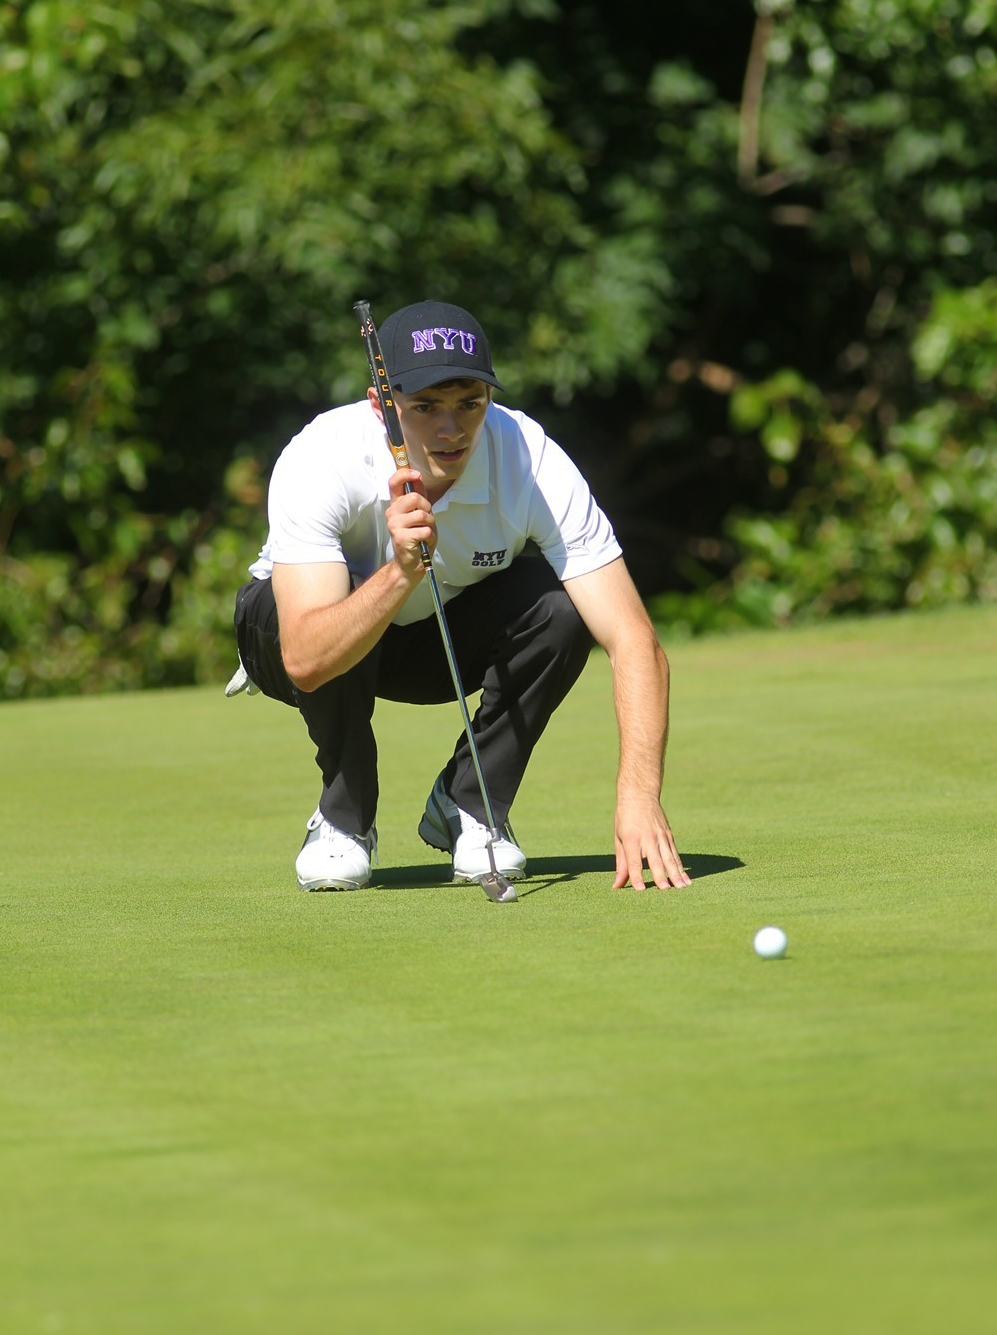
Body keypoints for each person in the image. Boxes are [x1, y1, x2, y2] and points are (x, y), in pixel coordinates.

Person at [228, 299, 690, 895]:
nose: (451, 430)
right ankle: (344, 820)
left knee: (562, 607)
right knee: (292, 606)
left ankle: (471, 806)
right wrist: (399, 572)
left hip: (439, 648)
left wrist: (638, 796)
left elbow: (633, 639)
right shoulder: (321, 457)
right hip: (301, 650)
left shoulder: (529, 457)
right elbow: (305, 659)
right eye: (425, 408)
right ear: (382, 405)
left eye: (469, 404)